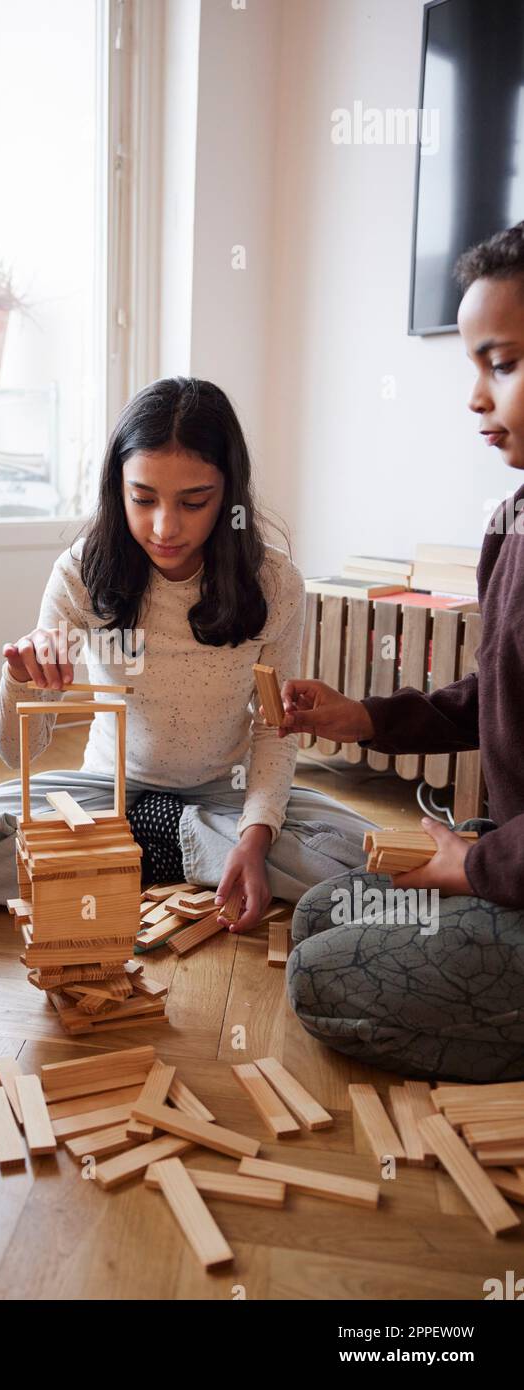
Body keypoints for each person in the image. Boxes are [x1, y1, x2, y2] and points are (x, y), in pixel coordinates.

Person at [0, 376, 374, 927]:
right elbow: (22, 755)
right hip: (107, 792)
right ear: (118, 488)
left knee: (364, 859)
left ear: (228, 495)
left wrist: (254, 840)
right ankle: (183, 852)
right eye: (143, 498)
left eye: (194, 501)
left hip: (223, 795)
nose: (164, 527)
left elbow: (271, 732)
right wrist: (21, 678)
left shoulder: (275, 582)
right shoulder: (81, 571)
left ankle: (126, 860)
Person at [281, 221, 524, 1082]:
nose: (473, 397)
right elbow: (489, 695)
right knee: (317, 915)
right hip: (510, 855)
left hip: (510, 864)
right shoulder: (512, 521)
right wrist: (362, 718)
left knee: (317, 978)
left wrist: (477, 865)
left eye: (499, 364)